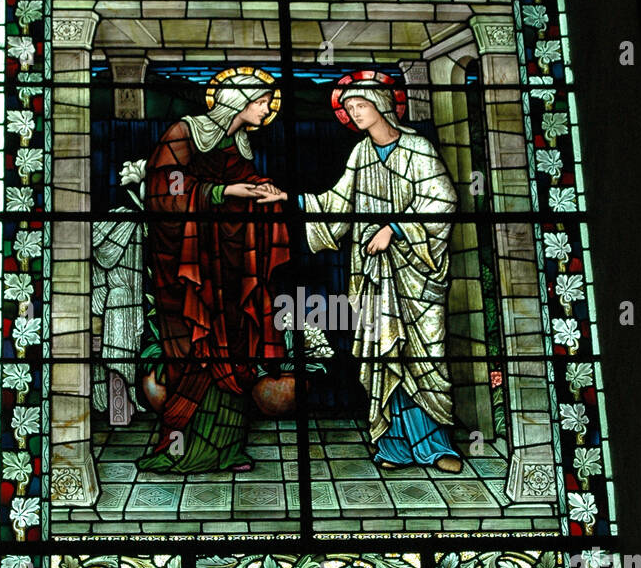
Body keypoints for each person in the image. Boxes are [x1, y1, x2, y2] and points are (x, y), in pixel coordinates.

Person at [281, 73, 463, 472]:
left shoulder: (417, 148)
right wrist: (290, 198)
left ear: (381, 103)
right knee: (383, 354)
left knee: (423, 352)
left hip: (416, 271)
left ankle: (436, 445)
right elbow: (337, 201)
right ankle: (394, 445)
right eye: (348, 108)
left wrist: (394, 229)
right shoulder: (361, 153)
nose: (354, 113)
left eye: (360, 105)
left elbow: (442, 201)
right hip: (373, 271)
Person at [137, 68, 288, 473]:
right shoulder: (184, 134)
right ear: (239, 100)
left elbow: (241, 187)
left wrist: (262, 191)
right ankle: (180, 449)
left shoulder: (241, 146)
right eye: (261, 101)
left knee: (232, 348)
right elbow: (163, 191)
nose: (266, 108)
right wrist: (220, 193)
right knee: (193, 353)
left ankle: (228, 447)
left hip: (232, 269)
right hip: (188, 271)